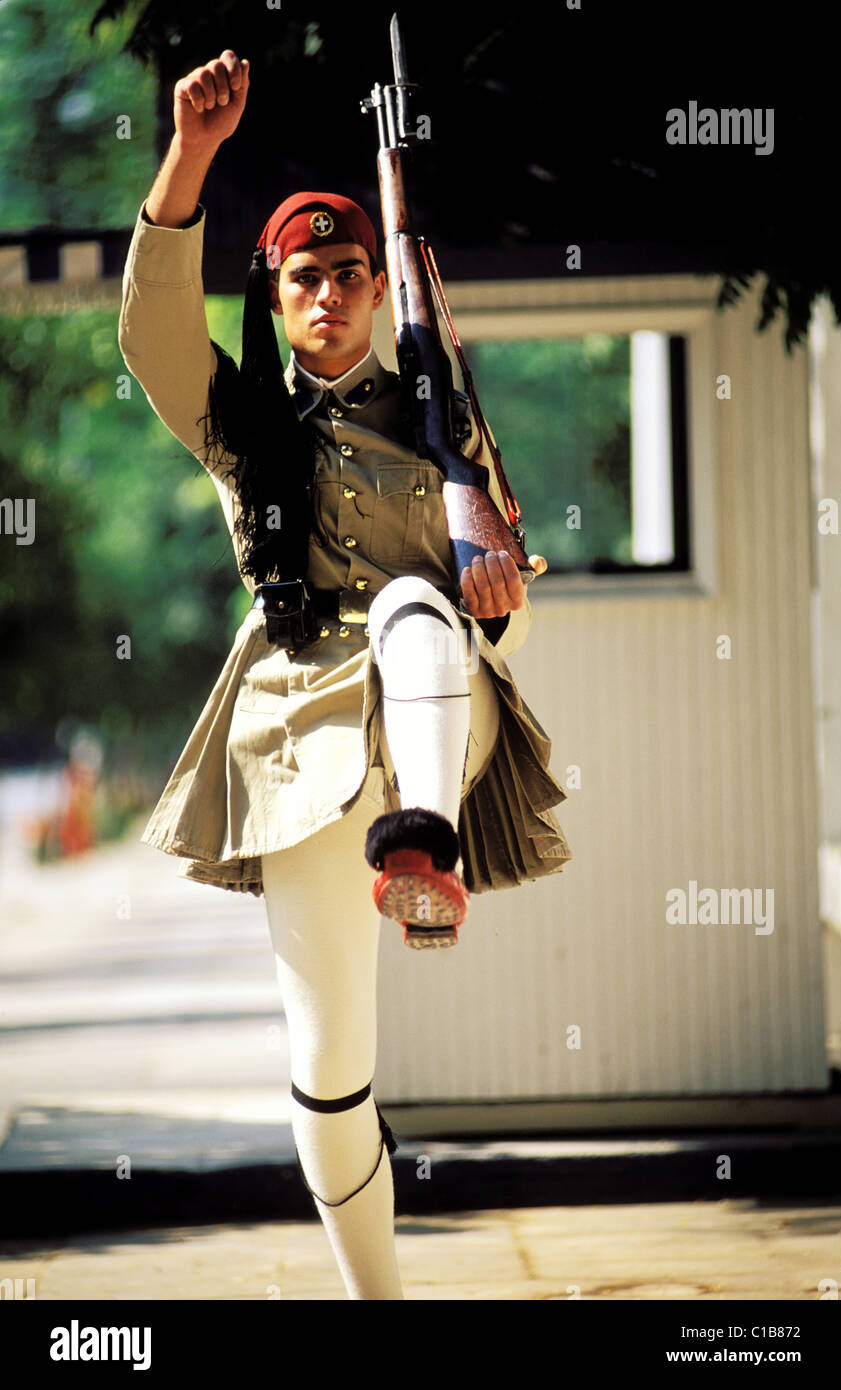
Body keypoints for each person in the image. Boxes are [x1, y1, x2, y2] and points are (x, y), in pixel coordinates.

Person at [118, 49, 571, 1300]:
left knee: (419, 607)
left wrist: (501, 588)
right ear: (277, 298)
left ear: (378, 289)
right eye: (305, 277)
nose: (328, 292)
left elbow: (507, 621)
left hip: (433, 721)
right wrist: (191, 154)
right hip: (299, 746)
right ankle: (379, 1300)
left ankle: (422, 843)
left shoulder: (445, 417)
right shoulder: (240, 424)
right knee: (329, 1072)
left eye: (349, 273)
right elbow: (154, 336)